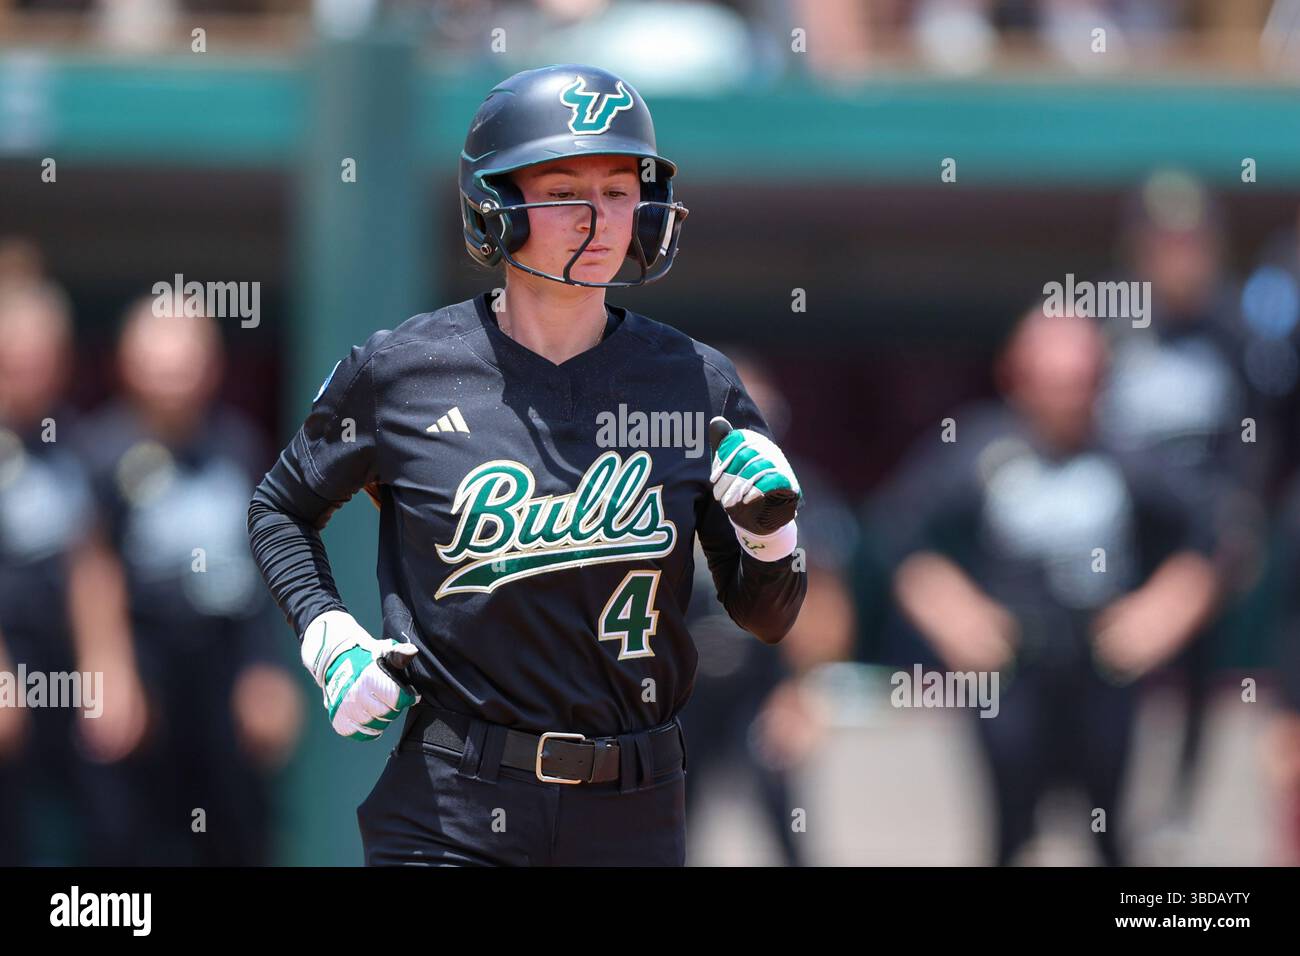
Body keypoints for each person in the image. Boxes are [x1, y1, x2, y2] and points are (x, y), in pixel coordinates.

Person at [247, 64, 807, 866]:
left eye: (619, 191)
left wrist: (770, 536)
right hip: (453, 800)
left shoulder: (697, 382)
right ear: (498, 206)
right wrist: (327, 632)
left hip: (633, 806)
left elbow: (768, 616)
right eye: (566, 191)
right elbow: (280, 510)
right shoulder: (403, 372)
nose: (601, 219)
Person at [873, 305, 1219, 865]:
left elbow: (1213, 539)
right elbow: (897, 537)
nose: (1065, 398)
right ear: (1017, 377)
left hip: (1102, 670)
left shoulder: (1130, 457)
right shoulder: (979, 451)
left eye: (1080, 382)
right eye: (1049, 381)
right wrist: (953, 612)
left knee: (1109, 834)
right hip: (1011, 673)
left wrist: (1162, 612)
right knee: (1009, 835)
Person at [77, 297, 301, 865]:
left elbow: (267, 564)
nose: (174, 377)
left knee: (237, 831)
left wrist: (268, 670)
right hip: (146, 658)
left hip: (223, 659)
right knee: (126, 835)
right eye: (160, 360)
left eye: (187, 360)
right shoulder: (103, 451)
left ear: (212, 365)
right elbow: (91, 565)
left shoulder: (240, 446)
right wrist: (109, 669)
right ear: (128, 364)